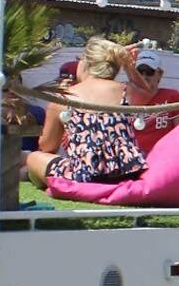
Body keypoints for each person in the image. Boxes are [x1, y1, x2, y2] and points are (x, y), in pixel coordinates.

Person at [24, 37, 147, 187]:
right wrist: (129, 66)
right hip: (126, 173)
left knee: (34, 157)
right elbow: (148, 92)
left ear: (85, 63)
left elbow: (47, 147)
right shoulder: (127, 91)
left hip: (82, 175)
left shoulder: (63, 97)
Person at [122, 43, 179, 158]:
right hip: (131, 157)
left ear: (159, 74)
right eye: (140, 71)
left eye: (149, 72)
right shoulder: (122, 95)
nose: (144, 76)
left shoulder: (172, 96)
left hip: (161, 158)